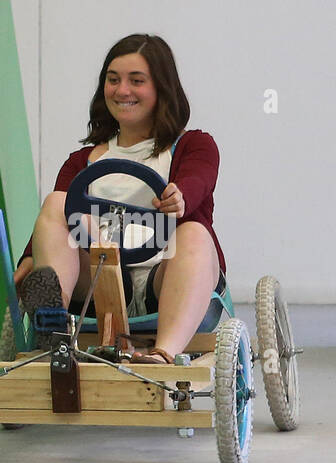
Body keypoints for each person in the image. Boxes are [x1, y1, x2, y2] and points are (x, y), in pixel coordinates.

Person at [13, 34, 225, 364]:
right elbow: (55, 221)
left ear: (161, 88)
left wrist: (180, 196)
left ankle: (163, 353)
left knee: (195, 233)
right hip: (98, 286)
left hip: (166, 278)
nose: (122, 91)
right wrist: (29, 257)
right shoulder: (82, 161)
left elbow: (199, 178)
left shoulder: (193, 146)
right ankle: (53, 327)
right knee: (58, 201)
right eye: (113, 80)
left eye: (136, 81)